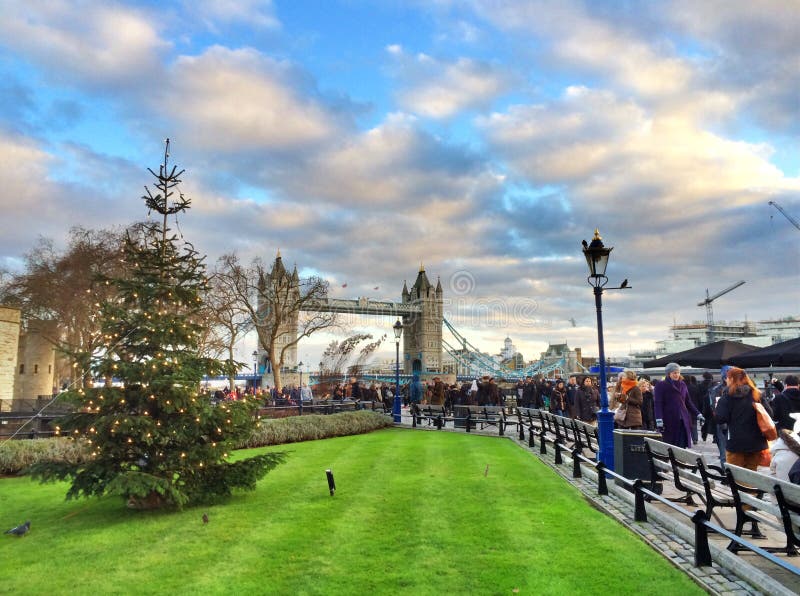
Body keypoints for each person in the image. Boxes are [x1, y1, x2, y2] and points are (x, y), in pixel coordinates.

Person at [715, 367, 768, 471]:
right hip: (756, 443)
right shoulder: (756, 394)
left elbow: (720, 418)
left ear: (731, 379)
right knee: (751, 473)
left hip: (736, 443)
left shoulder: (727, 396)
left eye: (727, 378)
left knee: (734, 474)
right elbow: (769, 413)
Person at [653, 363, 703, 448]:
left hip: (683, 420)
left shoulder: (683, 384)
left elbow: (688, 402)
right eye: (674, 373)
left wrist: (698, 414)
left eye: (678, 372)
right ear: (668, 373)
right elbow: (658, 403)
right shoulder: (661, 385)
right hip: (669, 420)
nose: (676, 375)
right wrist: (659, 419)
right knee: (670, 446)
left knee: (681, 446)